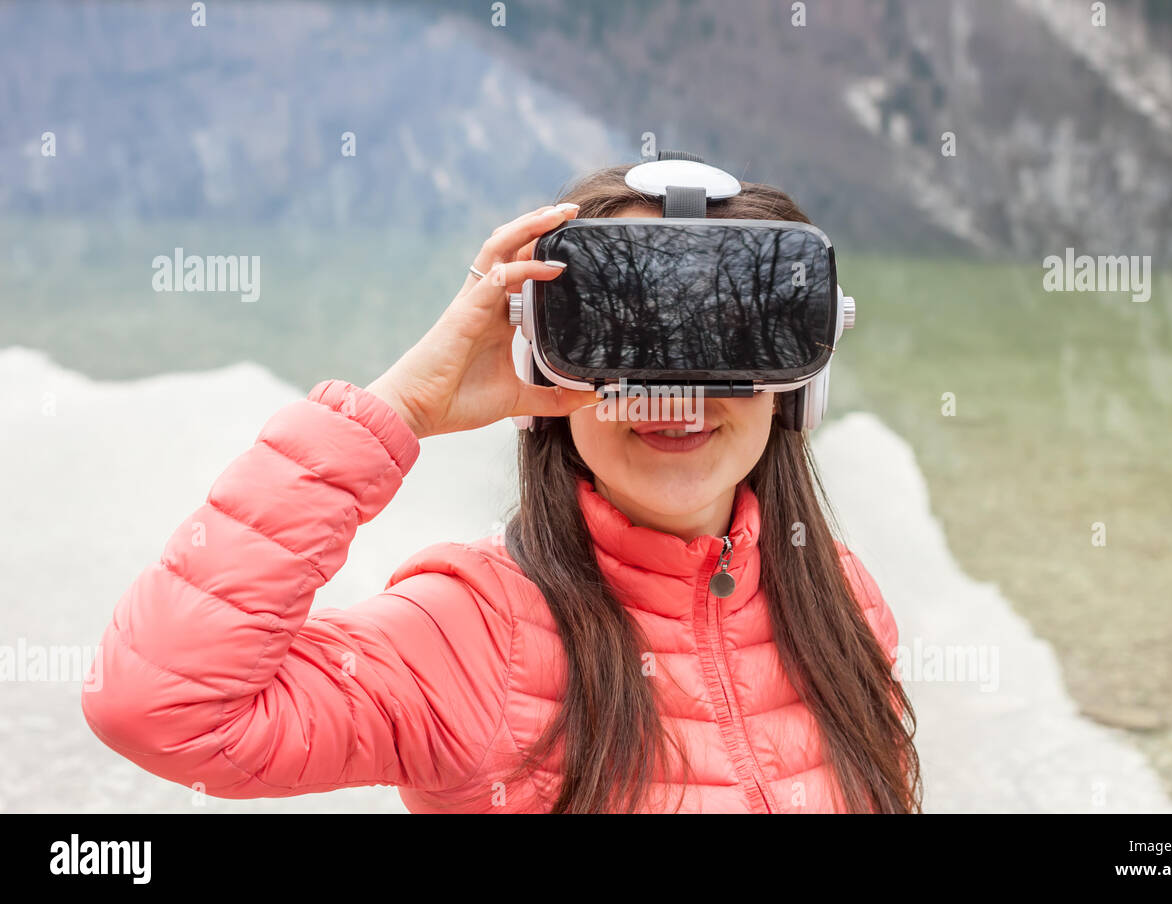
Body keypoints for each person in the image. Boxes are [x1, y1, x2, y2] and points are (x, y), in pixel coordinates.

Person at [82, 164, 921, 813]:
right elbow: (159, 710)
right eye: (626, 341)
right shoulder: (470, 630)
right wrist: (403, 407)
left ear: (797, 383)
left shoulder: (838, 598)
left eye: (728, 340)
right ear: (539, 363)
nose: (680, 393)